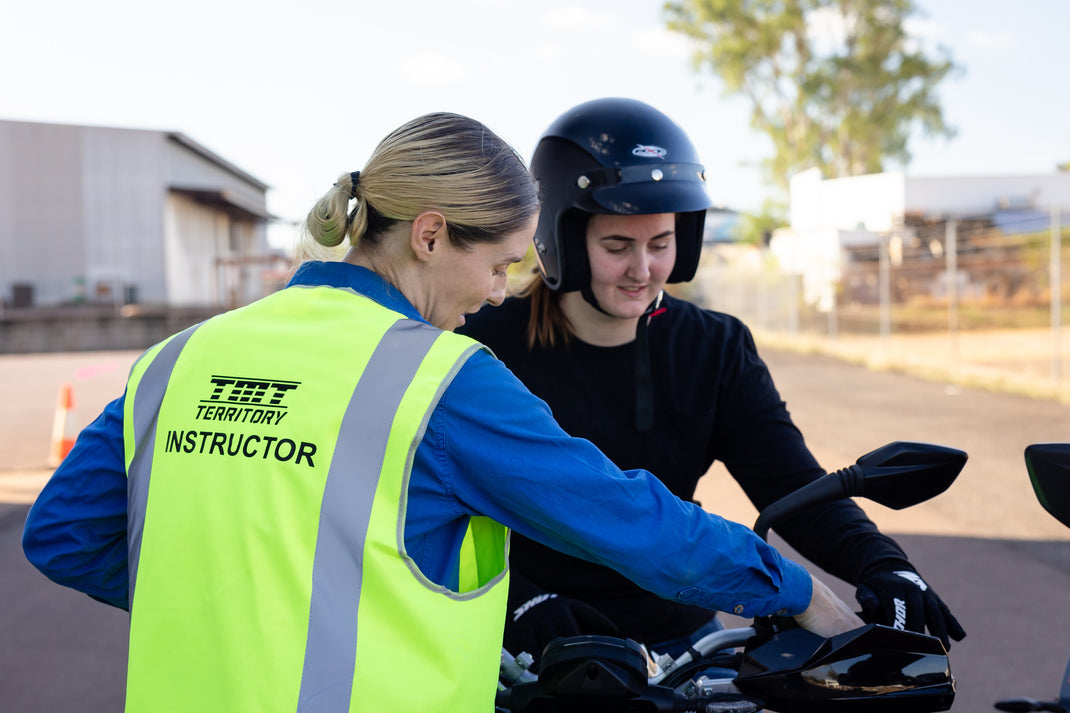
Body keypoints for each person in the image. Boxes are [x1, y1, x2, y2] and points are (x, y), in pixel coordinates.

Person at [21, 111, 861, 712]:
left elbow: (61, 535)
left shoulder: (181, 356)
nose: (501, 292)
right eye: (498, 264)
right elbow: (625, 516)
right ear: (429, 235)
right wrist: (793, 590)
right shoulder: (439, 378)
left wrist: (236, 611)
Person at [459, 97, 966, 667]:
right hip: (531, 642)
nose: (644, 270)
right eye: (617, 246)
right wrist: (521, 603)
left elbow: (790, 485)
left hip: (685, 640)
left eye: (661, 243)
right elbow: (441, 502)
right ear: (562, 241)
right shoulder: (483, 343)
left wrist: (882, 562)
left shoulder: (715, 346)